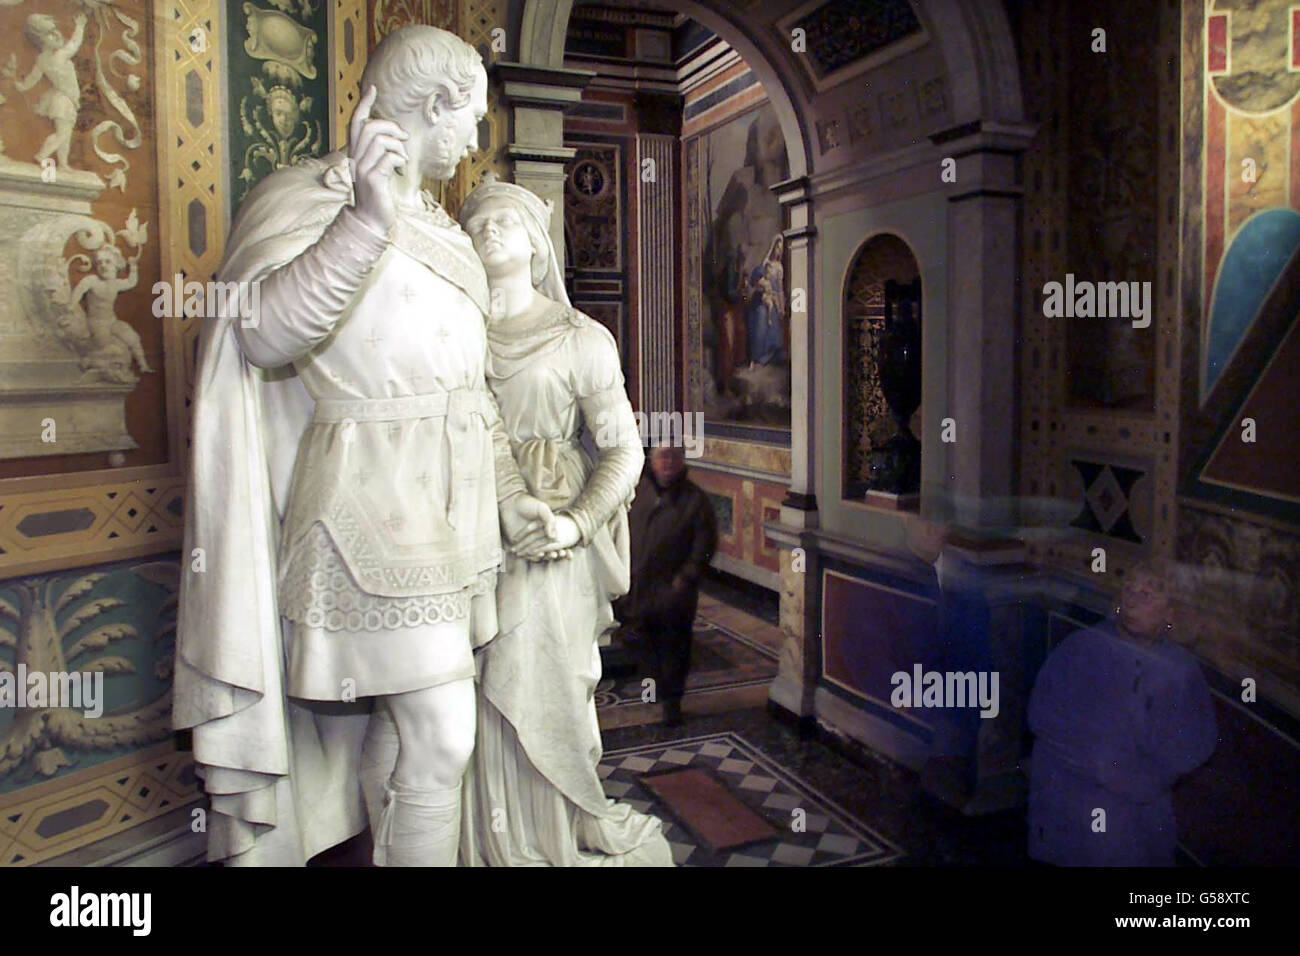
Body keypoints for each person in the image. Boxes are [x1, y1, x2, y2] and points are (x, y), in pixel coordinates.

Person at [174, 26, 554, 867]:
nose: (475, 140)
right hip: (361, 513)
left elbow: (472, 398)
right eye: (472, 118)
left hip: (448, 523)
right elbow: (262, 333)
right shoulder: (315, 197)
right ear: (433, 105)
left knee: (409, 725)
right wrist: (363, 223)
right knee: (445, 733)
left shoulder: (449, 234)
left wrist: (509, 494)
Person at [445, 176, 671, 866]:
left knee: (543, 684)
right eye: (477, 222)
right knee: (467, 692)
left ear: (538, 245)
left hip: (550, 541)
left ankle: (548, 833)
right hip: (463, 529)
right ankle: (488, 840)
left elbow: (624, 451)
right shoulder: (450, 332)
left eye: (505, 221)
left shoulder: (581, 338)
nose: (488, 229)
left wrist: (576, 525)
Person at [1026, 563, 1218, 866]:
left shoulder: (1180, 668)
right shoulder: (1082, 648)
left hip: (1140, 803)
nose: (1133, 599)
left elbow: (1196, 738)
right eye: (1129, 588)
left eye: (1149, 593)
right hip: (1075, 792)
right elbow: (1043, 715)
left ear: (1171, 613)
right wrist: (1106, 768)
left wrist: (1148, 778)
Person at [614, 443, 718, 726]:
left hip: (674, 592)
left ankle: (672, 702)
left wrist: (685, 578)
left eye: (674, 456)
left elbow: (705, 546)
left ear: (682, 461)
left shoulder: (695, 501)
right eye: (662, 456)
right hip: (640, 587)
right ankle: (652, 694)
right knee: (645, 645)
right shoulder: (639, 493)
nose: (668, 462)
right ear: (652, 460)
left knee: (674, 647)